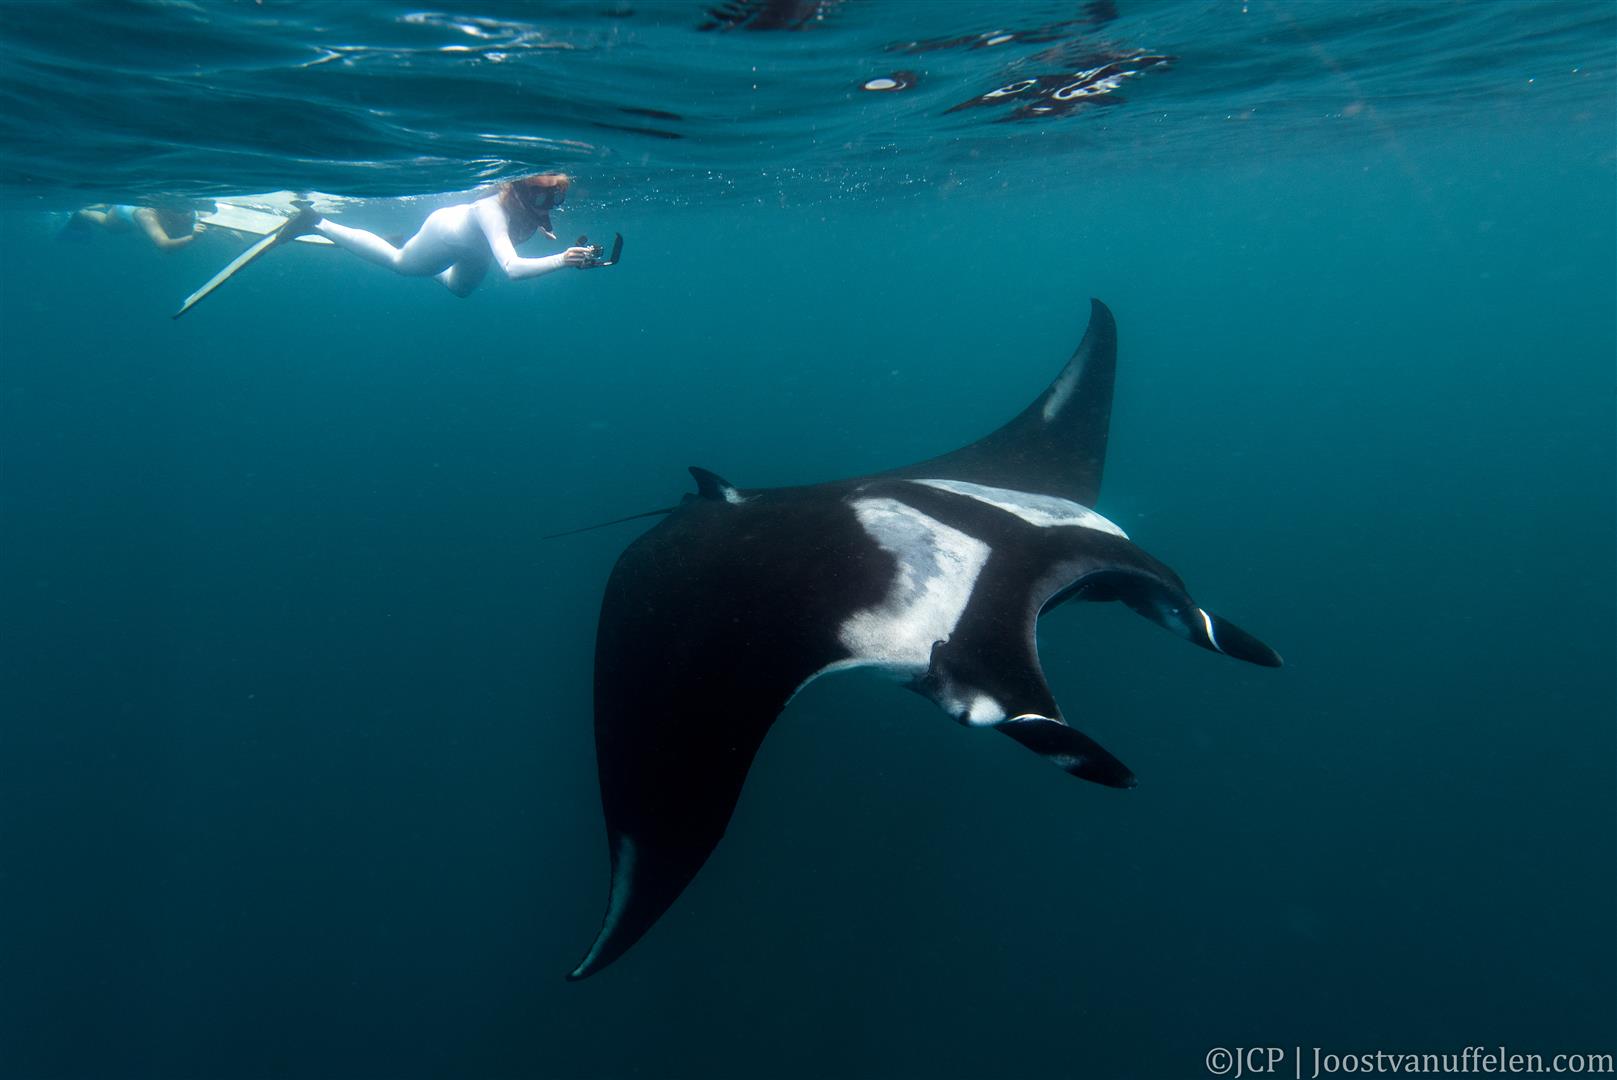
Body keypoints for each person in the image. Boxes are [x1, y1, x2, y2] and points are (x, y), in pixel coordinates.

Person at [273, 174, 595, 297]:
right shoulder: (490, 209)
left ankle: (406, 243)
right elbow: (511, 268)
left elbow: (533, 214)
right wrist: (562, 260)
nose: (550, 205)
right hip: (445, 234)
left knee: (460, 289)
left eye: (557, 198)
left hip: (476, 250)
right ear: (523, 190)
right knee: (400, 264)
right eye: (545, 197)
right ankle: (316, 223)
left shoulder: (530, 209)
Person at [68, 204, 197, 250]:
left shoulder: (190, 209)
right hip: (123, 211)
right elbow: (165, 246)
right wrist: (191, 238)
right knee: (110, 227)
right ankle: (81, 212)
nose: (187, 215)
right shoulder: (146, 214)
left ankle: (103, 202)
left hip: (143, 218)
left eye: (188, 210)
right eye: (180, 211)